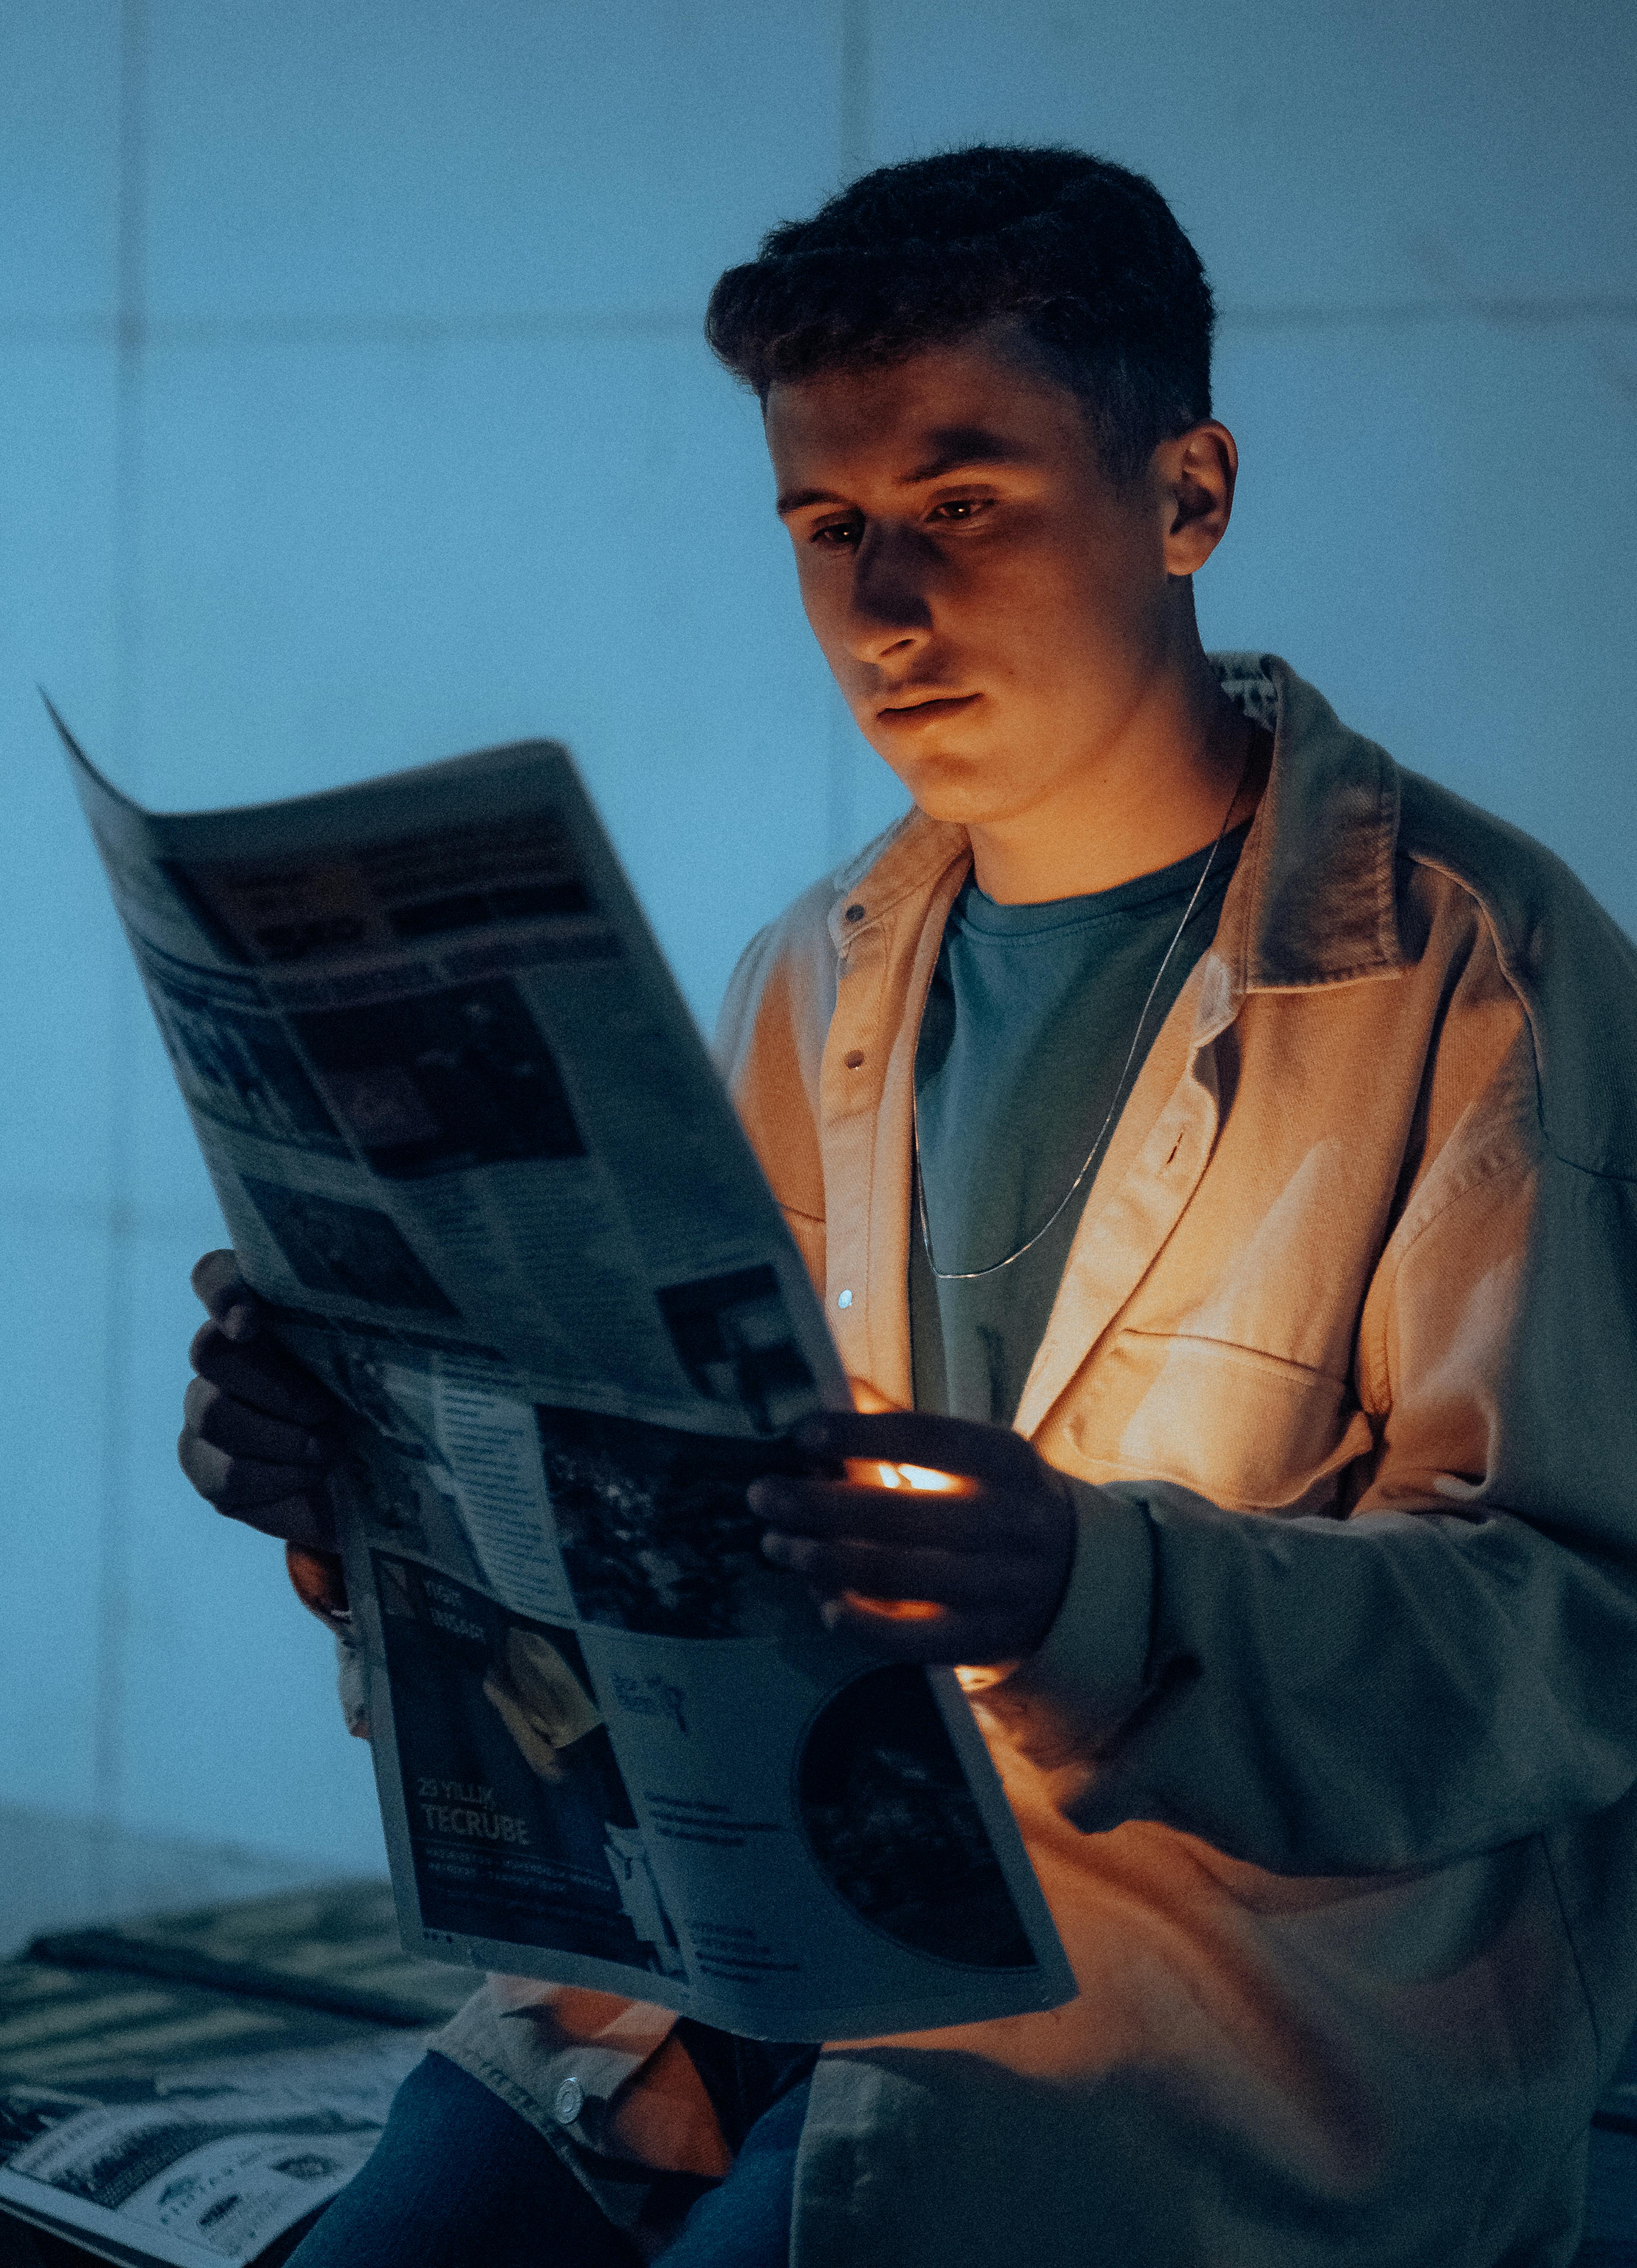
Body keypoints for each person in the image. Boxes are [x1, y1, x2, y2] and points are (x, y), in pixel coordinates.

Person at [177, 146, 1637, 2267]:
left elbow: (1577, 1641)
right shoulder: (814, 973)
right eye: (828, 529)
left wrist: (1082, 1590)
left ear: (1188, 495)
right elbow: (673, 1566)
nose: (884, 611)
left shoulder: (1472, 975)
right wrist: (374, 1498)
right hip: (759, 1963)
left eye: (963, 508)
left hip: (1227, 2034)